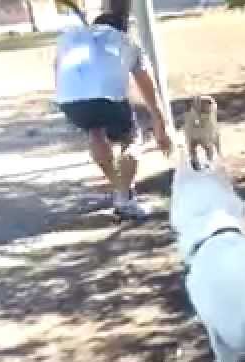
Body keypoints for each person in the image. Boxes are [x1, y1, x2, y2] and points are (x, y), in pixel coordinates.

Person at [54, 10, 171, 219]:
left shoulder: (70, 37)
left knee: (95, 132)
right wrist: (159, 121)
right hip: (106, 95)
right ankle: (124, 197)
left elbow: (58, 69)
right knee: (131, 138)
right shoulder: (125, 41)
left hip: (68, 98)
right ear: (122, 28)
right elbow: (146, 84)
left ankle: (120, 188)